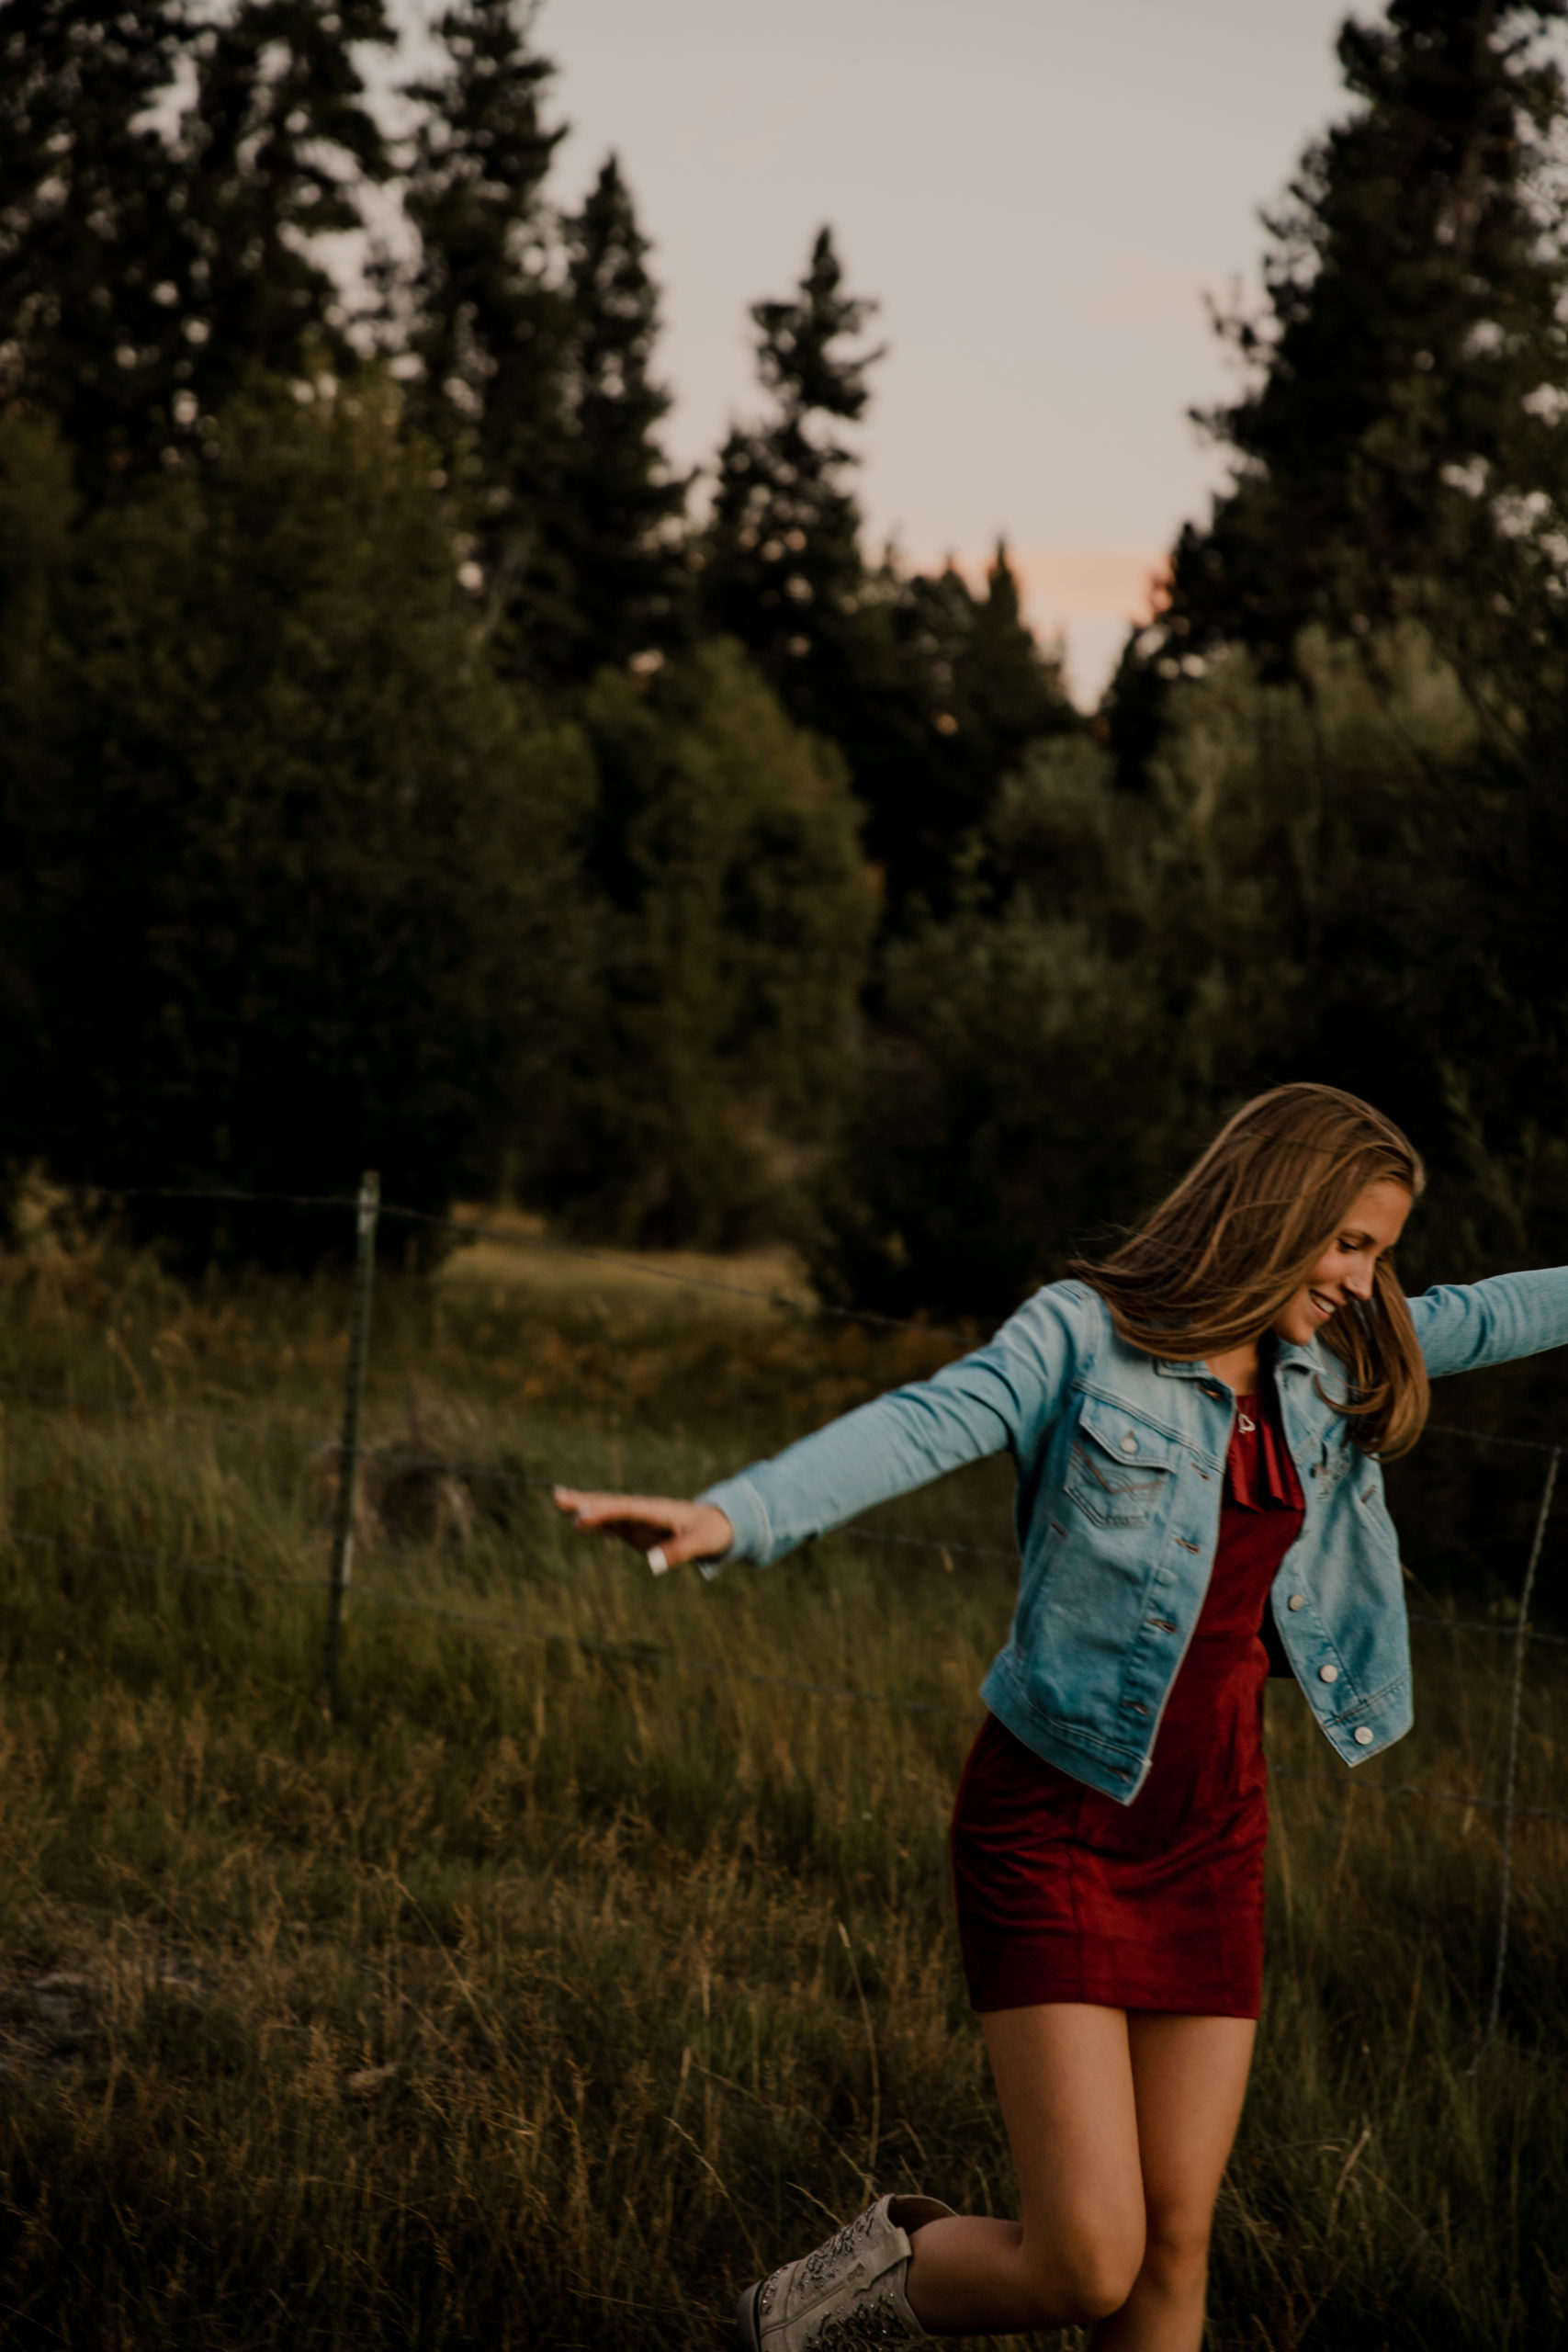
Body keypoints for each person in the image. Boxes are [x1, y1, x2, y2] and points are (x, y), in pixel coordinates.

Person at [553, 1083, 1568, 2351]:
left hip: (1212, 1829)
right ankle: (804, 2312)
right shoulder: (1085, 1335)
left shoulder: (1337, 1355)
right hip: (1057, 1821)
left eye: (1385, 1252)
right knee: (1087, 2261)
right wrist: (737, 1514)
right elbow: (928, 1421)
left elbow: (1500, 1311)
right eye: (1352, 1243)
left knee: (1174, 2249)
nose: (1370, 1282)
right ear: (1275, 1211)